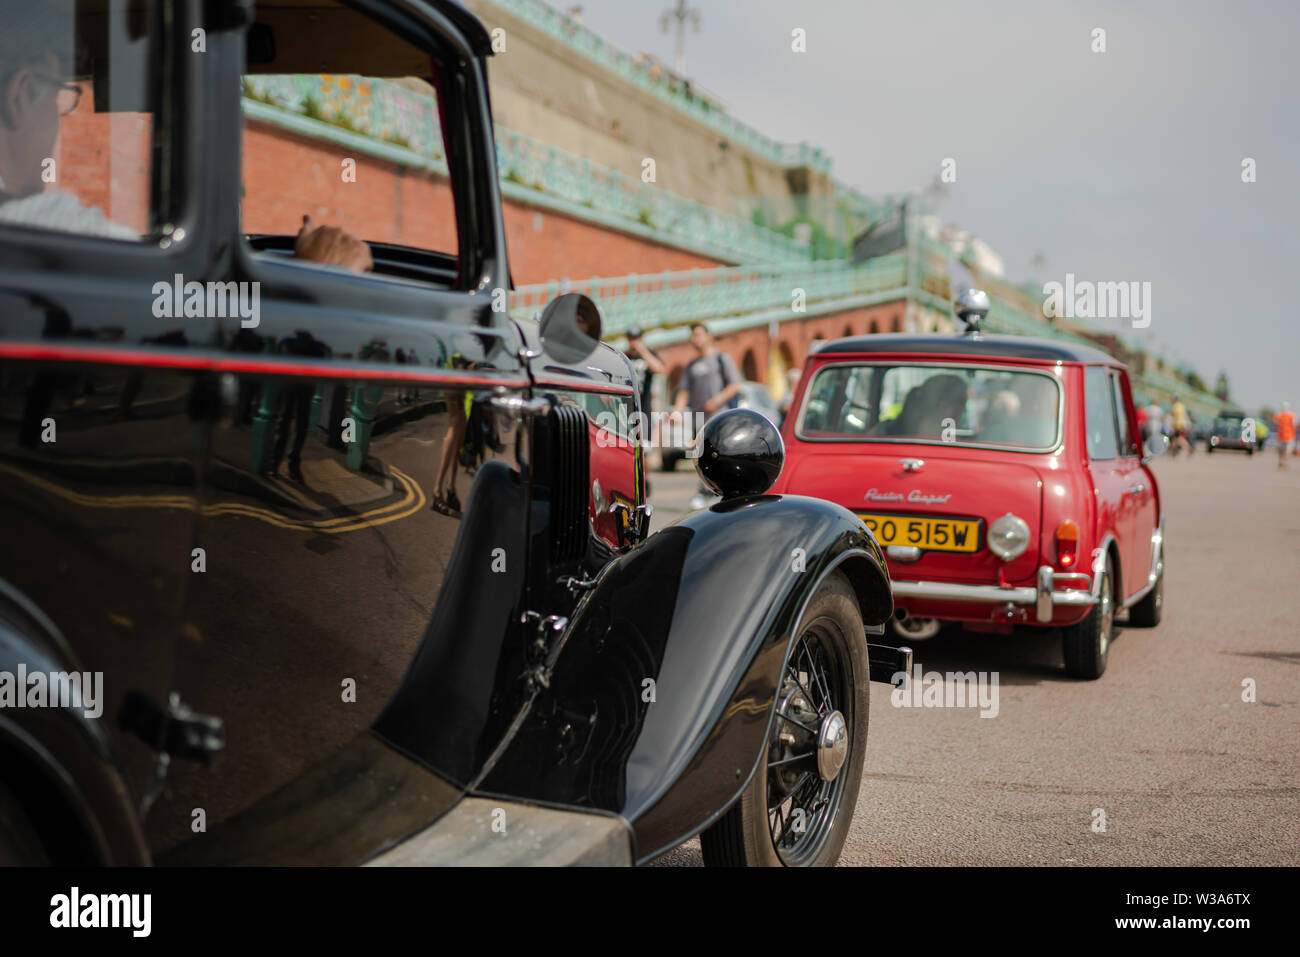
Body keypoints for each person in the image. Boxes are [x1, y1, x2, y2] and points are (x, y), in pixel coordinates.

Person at [0, 8, 371, 269]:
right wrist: (325, 273)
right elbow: (192, 305)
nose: (60, 121)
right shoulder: (47, 231)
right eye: (59, 98)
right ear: (20, 94)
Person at [672, 323, 742, 510]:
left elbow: (735, 385)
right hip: (699, 420)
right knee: (702, 457)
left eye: (698, 335)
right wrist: (677, 412)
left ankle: (718, 491)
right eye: (692, 336)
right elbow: (684, 390)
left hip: (720, 419)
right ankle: (706, 491)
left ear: (709, 336)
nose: (694, 339)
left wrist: (717, 400)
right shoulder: (692, 365)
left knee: (720, 456)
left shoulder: (721, 359)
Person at [1274, 402, 1296, 469]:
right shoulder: (1292, 415)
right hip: (1290, 436)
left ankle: (1280, 462)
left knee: (1281, 450)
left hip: (1280, 435)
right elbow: (1294, 425)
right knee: (1287, 450)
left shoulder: (1278, 415)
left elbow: (1276, 424)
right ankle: (1285, 463)